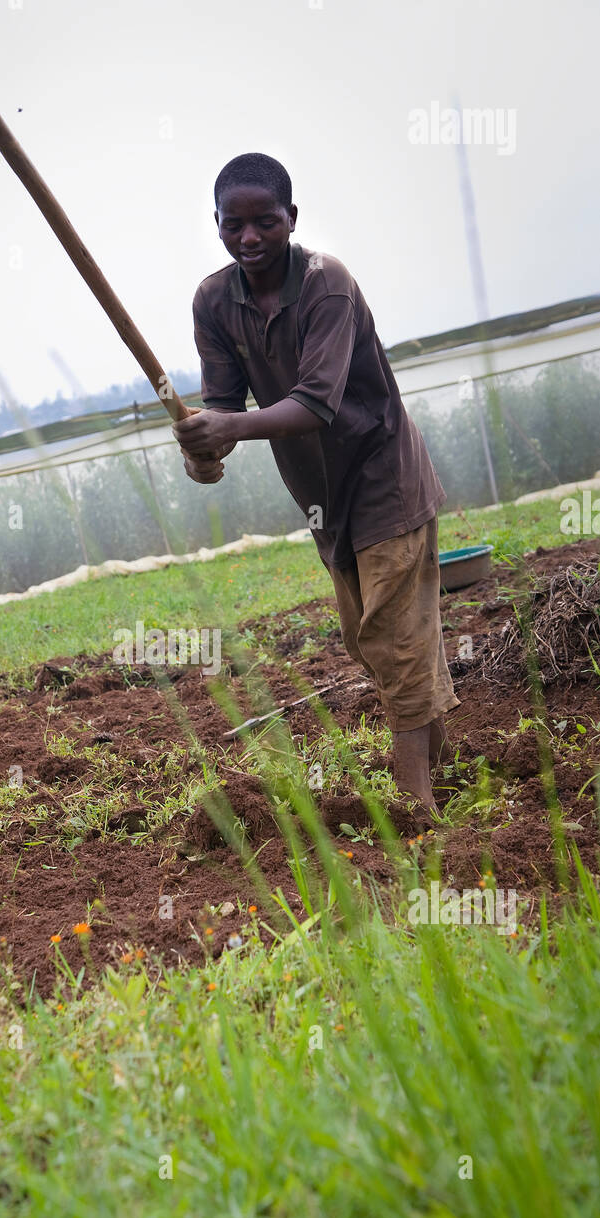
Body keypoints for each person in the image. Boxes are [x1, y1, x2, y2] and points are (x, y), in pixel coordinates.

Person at [173, 152, 457, 812]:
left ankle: (418, 805)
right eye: (232, 224)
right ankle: (440, 763)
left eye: (265, 222)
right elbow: (222, 402)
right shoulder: (214, 301)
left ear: (290, 219)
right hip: (321, 498)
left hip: (385, 471)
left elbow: (315, 401)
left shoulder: (327, 285)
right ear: (215, 224)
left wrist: (228, 430)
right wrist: (202, 453)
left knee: (392, 638)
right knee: (373, 641)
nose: (248, 238)